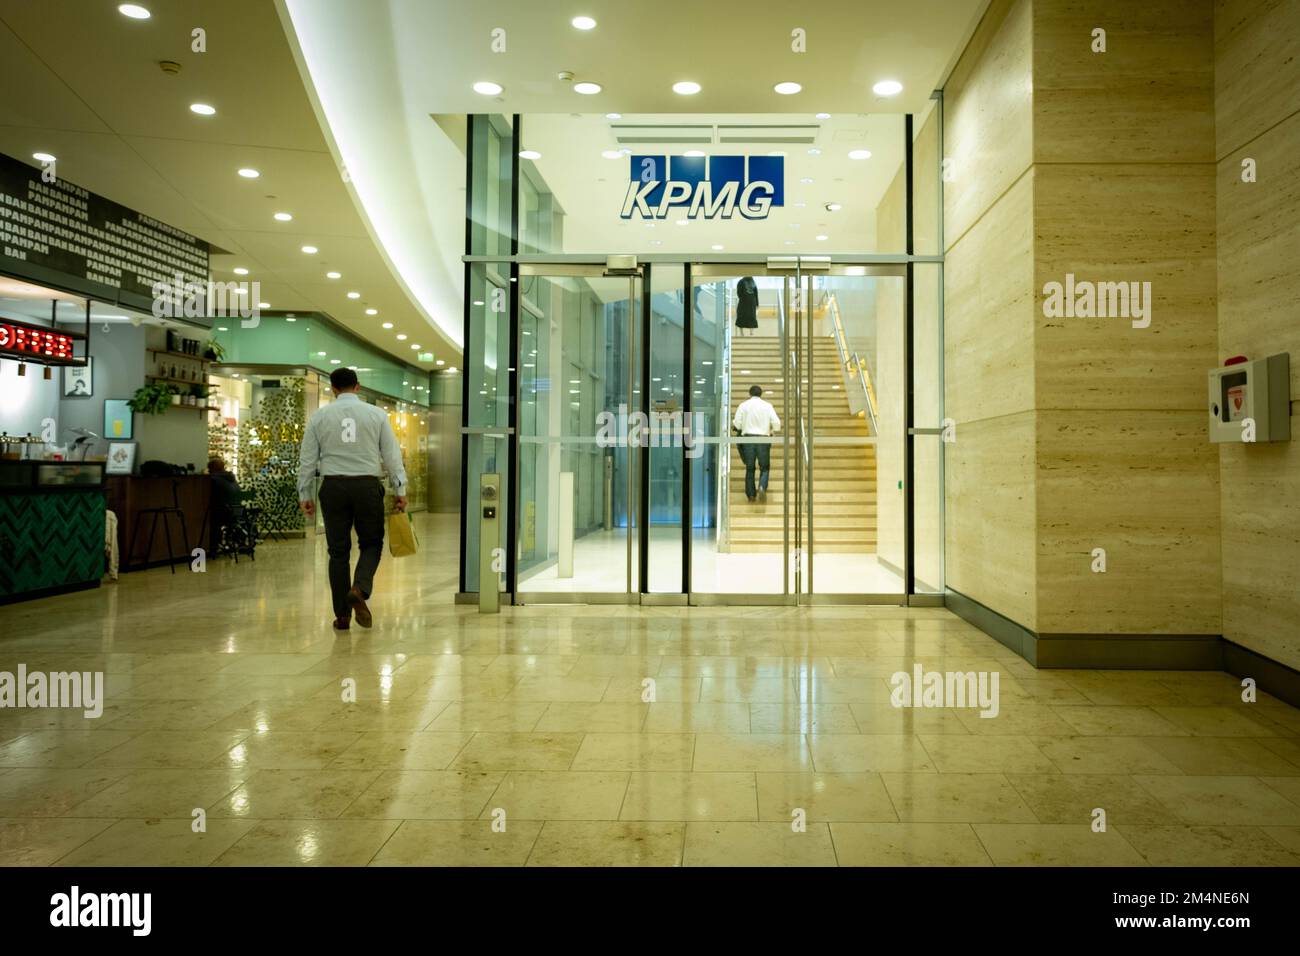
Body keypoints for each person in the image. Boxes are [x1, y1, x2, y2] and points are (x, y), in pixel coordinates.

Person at [298, 368, 407, 630]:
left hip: (333, 486)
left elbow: (308, 459)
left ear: (333, 389)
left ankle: (342, 616)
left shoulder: (319, 417)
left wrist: (305, 493)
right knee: (371, 543)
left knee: (338, 552)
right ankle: (359, 588)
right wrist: (400, 489)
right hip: (367, 486)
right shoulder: (377, 415)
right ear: (357, 387)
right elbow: (391, 456)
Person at [733, 384, 780, 502]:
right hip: (763, 439)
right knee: (764, 467)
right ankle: (762, 486)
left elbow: (737, 424)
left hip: (748, 439)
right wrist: (772, 430)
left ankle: (751, 495)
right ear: (761, 394)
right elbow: (777, 424)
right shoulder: (767, 406)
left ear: (750, 394)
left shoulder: (743, 405)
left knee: (750, 468)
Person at [207, 457, 242, 552]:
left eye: (209, 469)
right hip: (237, 513)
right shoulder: (232, 479)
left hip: (225, 514)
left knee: (207, 518)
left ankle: (211, 547)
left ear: (213, 469)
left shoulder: (215, 480)